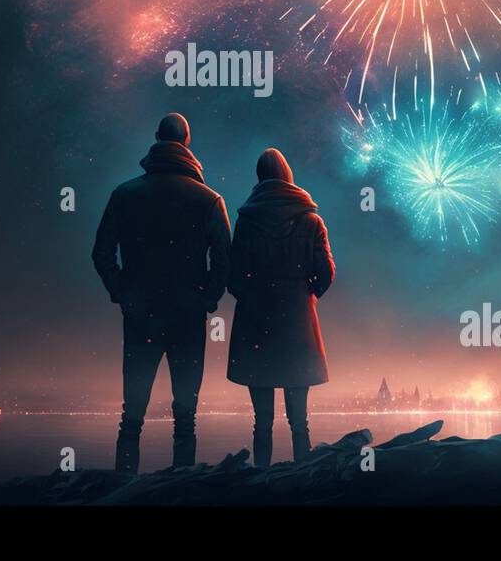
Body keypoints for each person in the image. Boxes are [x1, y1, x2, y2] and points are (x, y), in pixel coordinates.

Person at [91, 113, 231, 473]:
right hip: (188, 314)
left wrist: (122, 293)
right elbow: (225, 258)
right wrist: (207, 299)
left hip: (140, 314)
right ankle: (182, 492)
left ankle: (120, 491)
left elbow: (102, 253)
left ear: (156, 138)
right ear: (187, 142)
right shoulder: (209, 199)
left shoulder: (124, 194)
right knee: (186, 417)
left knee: (131, 417)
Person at [226, 148, 335, 466]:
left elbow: (233, 275)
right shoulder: (311, 220)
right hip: (298, 324)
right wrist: (306, 295)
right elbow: (326, 273)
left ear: (259, 177)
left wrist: (252, 295)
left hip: (256, 323)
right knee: (300, 422)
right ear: (288, 175)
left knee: (261, 422)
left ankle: (262, 482)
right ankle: (303, 481)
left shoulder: (246, 221)